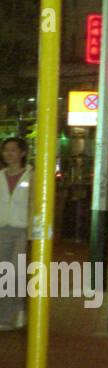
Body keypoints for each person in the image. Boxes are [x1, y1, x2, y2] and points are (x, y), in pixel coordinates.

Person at [0, 137, 34, 331]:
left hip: (22, 230)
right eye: (6, 150)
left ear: (22, 153)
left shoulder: (31, 176)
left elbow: (36, 203)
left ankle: (18, 312)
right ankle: (5, 317)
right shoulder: (0, 176)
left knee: (16, 274)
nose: (9, 154)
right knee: (4, 274)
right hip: (2, 229)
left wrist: (33, 232)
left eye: (13, 150)